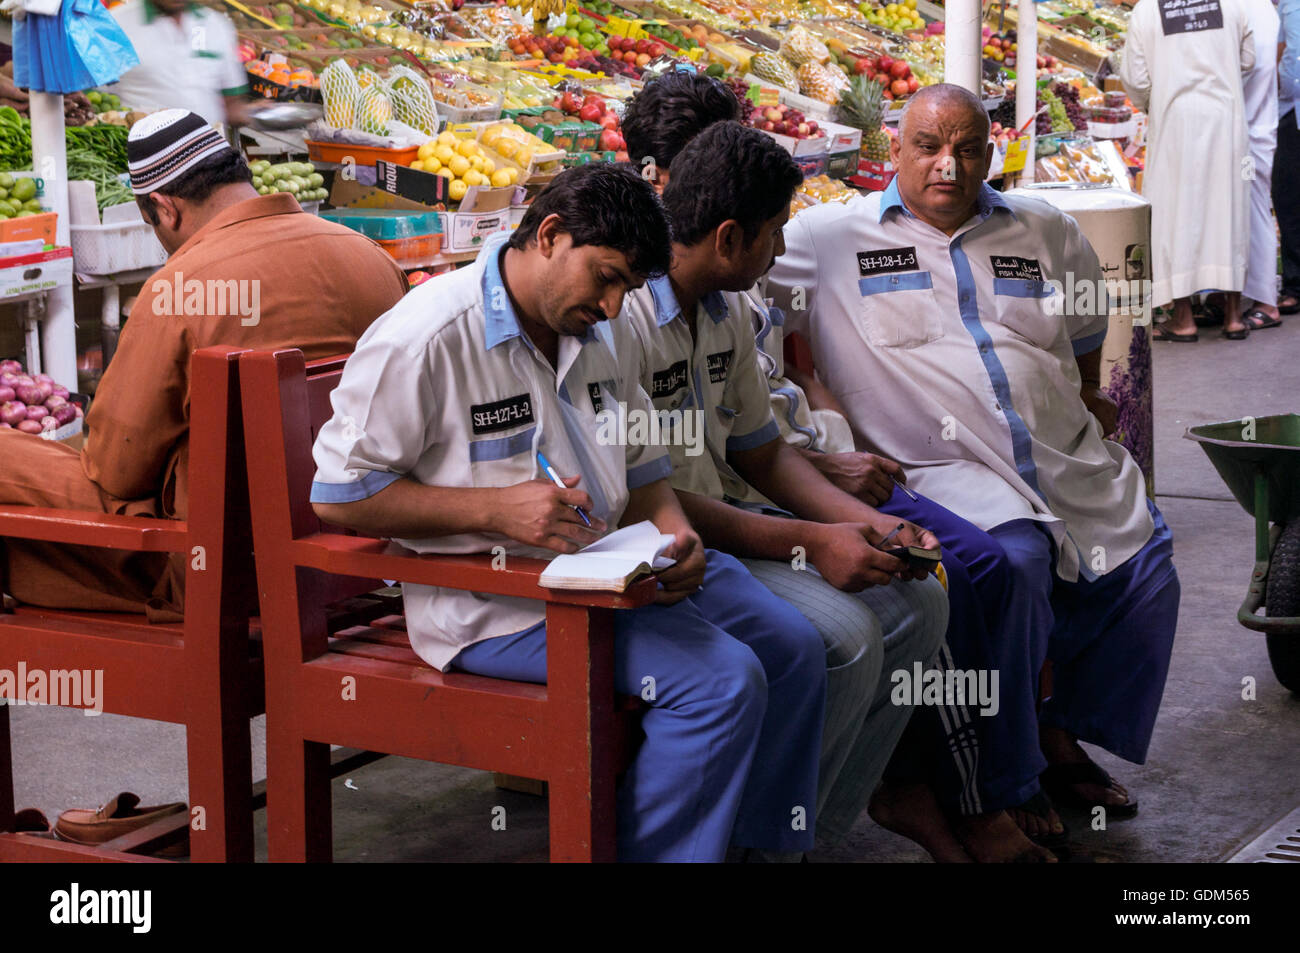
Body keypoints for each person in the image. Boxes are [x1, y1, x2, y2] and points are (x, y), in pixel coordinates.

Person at [308, 163, 827, 862]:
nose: (613, 308)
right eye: (606, 278)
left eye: (629, 289)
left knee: (794, 648)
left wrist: (678, 536)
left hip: (618, 572)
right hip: (500, 606)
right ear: (549, 235)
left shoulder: (599, 331)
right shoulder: (429, 337)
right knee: (722, 683)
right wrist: (495, 512)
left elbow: (644, 471)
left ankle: (758, 851)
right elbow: (339, 495)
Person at [622, 73, 1068, 863]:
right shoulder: (625, 318)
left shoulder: (728, 308)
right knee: (846, 636)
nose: (783, 252)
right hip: (661, 550)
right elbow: (653, 500)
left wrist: (864, 523)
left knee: (921, 602)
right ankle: (761, 839)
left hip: (719, 531)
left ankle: (801, 830)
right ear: (731, 239)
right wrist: (813, 537)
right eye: (773, 235)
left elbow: (760, 450)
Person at [766, 83, 1181, 835]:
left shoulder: (1044, 227)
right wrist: (811, 423)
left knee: (1145, 563)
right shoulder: (826, 239)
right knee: (1015, 567)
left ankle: (1060, 733)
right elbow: (733, 305)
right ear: (893, 151)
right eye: (928, 147)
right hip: (938, 472)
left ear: (992, 152)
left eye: (965, 149)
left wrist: (1086, 403)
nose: (948, 167)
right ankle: (1009, 773)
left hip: (1059, 455)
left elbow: (1086, 332)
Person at [0, 108, 408, 619]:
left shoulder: (182, 285)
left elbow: (117, 471)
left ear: (164, 209)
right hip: (367, 548)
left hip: (224, 568)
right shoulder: (371, 256)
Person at [1119, 0, 1256, 340]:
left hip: (1174, 122)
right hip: (1226, 119)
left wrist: (1155, 99)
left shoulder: (1147, 9)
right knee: (1229, 213)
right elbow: (1249, 59)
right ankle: (1234, 316)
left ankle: (1183, 319)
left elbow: (1134, 77)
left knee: (1174, 215)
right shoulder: (1233, 5)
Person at [104, 0, 252, 126]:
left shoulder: (216, 25)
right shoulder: (116, 24)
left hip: (206, 151)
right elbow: (98, 101)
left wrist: (263, 116)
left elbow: (232, 103)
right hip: (142, 153)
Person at [1238, 0, 1282, 330]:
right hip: (1252, 128)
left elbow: (1248, 68)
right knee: (1246, 211)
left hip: (1248, 135)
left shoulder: (1249, 9)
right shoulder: (1259, 8)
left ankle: (1267, 301)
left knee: (1253, 210)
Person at [1278, 0, 1300, 315]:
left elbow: (1294, 65)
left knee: (1288, 197)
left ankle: (1295, 285)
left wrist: (1276, 88)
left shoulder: (1291, 5)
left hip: (1293, 114)